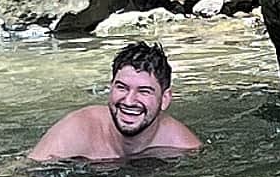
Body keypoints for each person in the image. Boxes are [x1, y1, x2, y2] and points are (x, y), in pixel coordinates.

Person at [28, 42, 202, 161]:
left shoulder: (183, 147)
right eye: (122, 87)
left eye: (144, 91)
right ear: (110, 87)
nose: (129, 101)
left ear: (165, 99)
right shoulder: (77, 130)